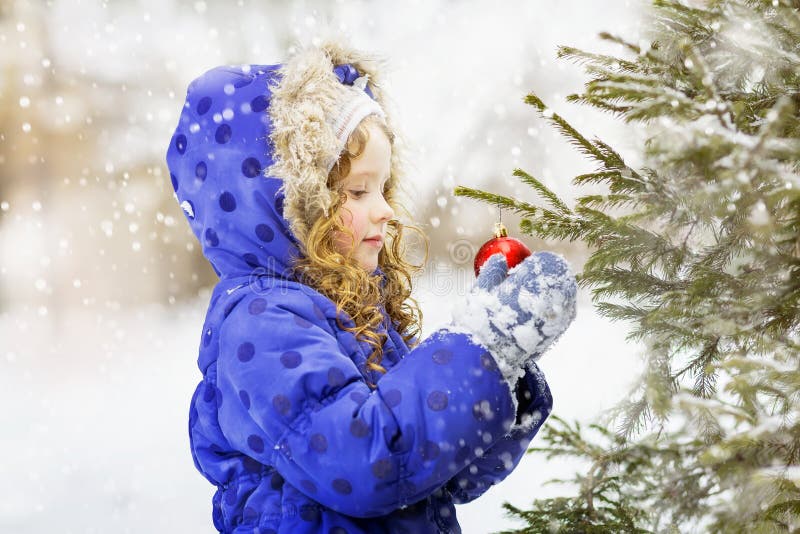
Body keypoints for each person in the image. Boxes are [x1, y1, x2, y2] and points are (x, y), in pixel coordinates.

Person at [166, 39, 577, 534]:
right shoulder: (262, 324)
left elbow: (436, 475)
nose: (384, 209)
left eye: (384, 188)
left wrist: (503, 362)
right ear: (285, 206)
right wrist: (482, 353)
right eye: (358, 191)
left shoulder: (349, 311)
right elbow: (366, 462)